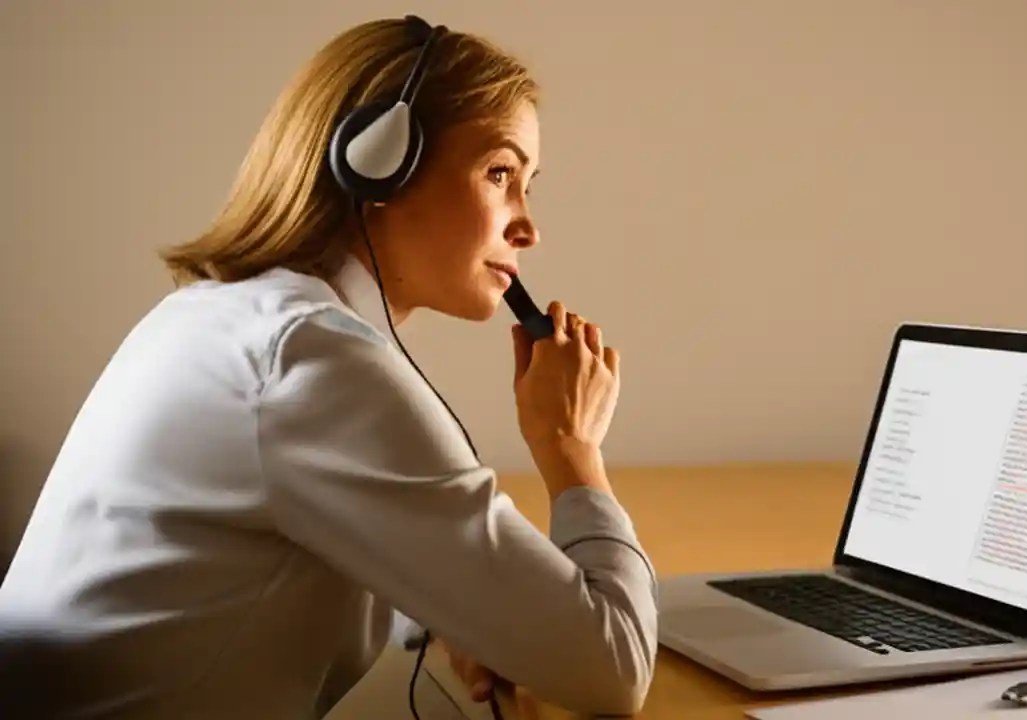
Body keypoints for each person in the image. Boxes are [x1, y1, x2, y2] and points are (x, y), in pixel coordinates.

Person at [0, 14, 657, 720]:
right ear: (381, 162)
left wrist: (451, 609)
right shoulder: (313, 366)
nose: (527, 225)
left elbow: (276, 548)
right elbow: (613, 668)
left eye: (528, 183)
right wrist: (571, 448)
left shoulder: (226, 315)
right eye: (500, 172)